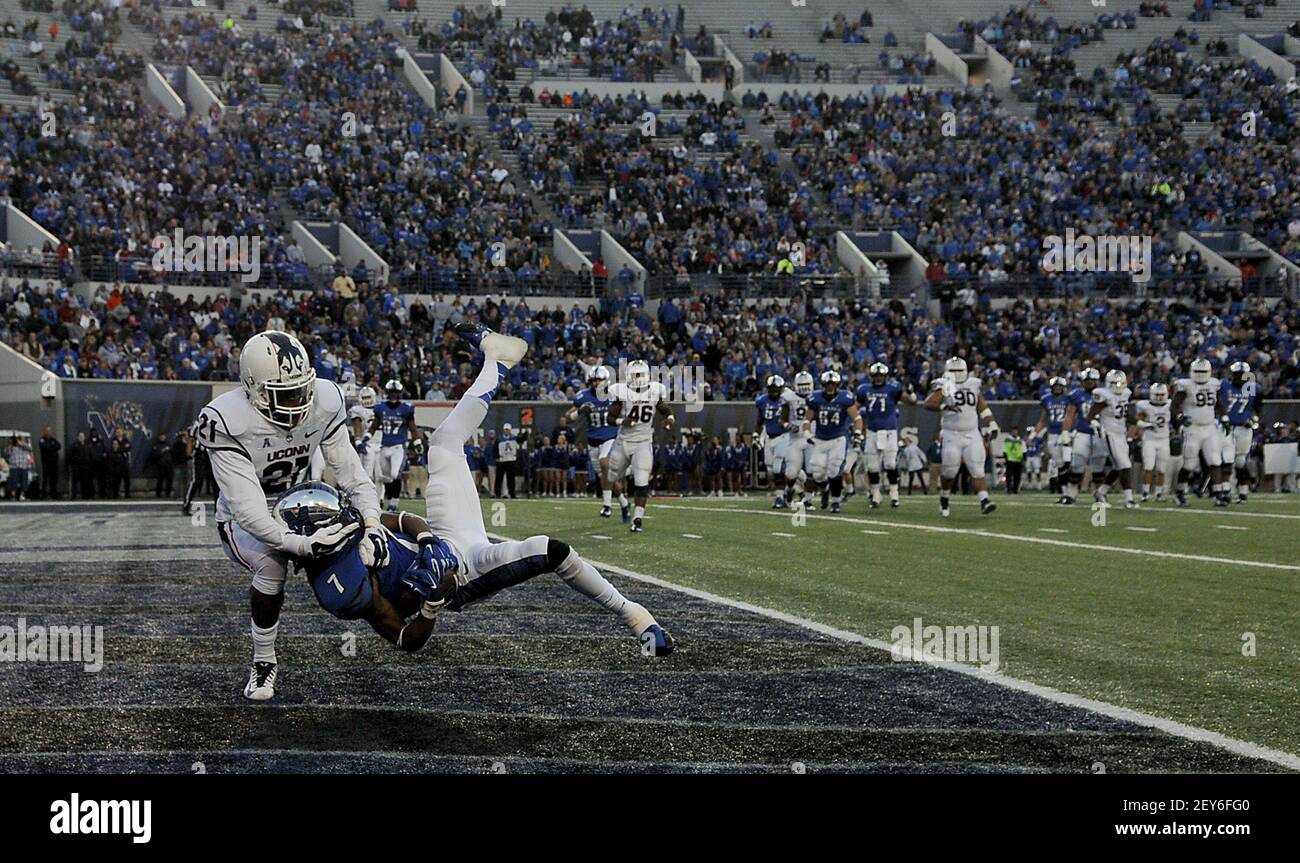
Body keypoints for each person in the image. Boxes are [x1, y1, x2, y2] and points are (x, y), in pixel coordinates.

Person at [275, 324, 673, 656]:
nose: (343, 516)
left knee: (444, 442)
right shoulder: (341, 587)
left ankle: (495, 361)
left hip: (444, 539)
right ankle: (637, 617)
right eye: (332, 517)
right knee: (550, 551)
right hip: (463, 574)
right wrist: (430, 604)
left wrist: (427, 538)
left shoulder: (352, 527)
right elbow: (403, 637)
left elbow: (399, 518)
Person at [196, 330, 386, 701]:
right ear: (254, 390)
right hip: (242, 513)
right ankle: (264, 661)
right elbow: (249, 512)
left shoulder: (325, 401)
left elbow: (351, 474)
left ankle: (406, 612)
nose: (298, 403)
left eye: (302, 390)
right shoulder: (226, 419)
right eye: (286, 395)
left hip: (299, 500)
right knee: (272, 567)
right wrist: (302, 545)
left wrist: (372, 523)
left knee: (368, 543)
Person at [923, 357, 998, 517]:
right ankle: (944, 497)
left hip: (972, 433)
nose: (956, 374)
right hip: (951, 434)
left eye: (958, 371)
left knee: (977, 469)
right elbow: (928, 404)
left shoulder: (973, 384)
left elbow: (982, 406)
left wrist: (992, 423)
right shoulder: (944, 385)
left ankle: (984, 500)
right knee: (950, 471)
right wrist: (944, 405)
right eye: (953, 371)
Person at [494, 423, 519, 498]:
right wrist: (496, 457)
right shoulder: (499, 439)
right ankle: (497, 493)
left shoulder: (514, 438)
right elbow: (495, 449)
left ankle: (512, 493)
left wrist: (525, 434)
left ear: (510, 430)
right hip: (502, 460)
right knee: (499, 478)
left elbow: (521, 439)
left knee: (511, 478)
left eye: (508, 430)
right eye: (505, 430)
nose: (506, 431)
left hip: (511, 460)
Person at [149, 433, 174, 498]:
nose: (162, 438)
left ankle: (168, 493)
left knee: (169, 480)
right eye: (161, 437)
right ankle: (158, 493)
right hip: (161, 465)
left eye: (163, 437)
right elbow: (154, 455)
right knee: (160, 480)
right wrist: (161, 451)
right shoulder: (156, 445)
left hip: (169, 465)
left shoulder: (168, 444)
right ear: (159, 437)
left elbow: (172, 453)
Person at [1003, 427, 1026, 494]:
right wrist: (1006, 458)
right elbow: (1005, 449)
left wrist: (1024, 459)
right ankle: (1009, 489)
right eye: (1013, 431)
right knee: (1009, 476)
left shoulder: (1021, 441)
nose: (1014, 432)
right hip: (1010, 460)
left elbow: (1024, 450)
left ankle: (1015, 489)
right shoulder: (1007, 440)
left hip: (1018, 460)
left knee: (1017, 476)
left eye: (1016, 431)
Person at [38, 427, 60, 499]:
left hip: (54, 463)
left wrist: (50, 447)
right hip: (46, 463)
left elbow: (59, 446)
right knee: (45, 480)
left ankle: (53, 494)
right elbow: (44, 447)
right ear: (44, 432)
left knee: (54, 479)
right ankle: (43, 494)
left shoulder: (53, 439)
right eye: (47, 431)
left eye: (49, 431)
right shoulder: (42, 440)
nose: (48, 432)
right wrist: (52, 447)